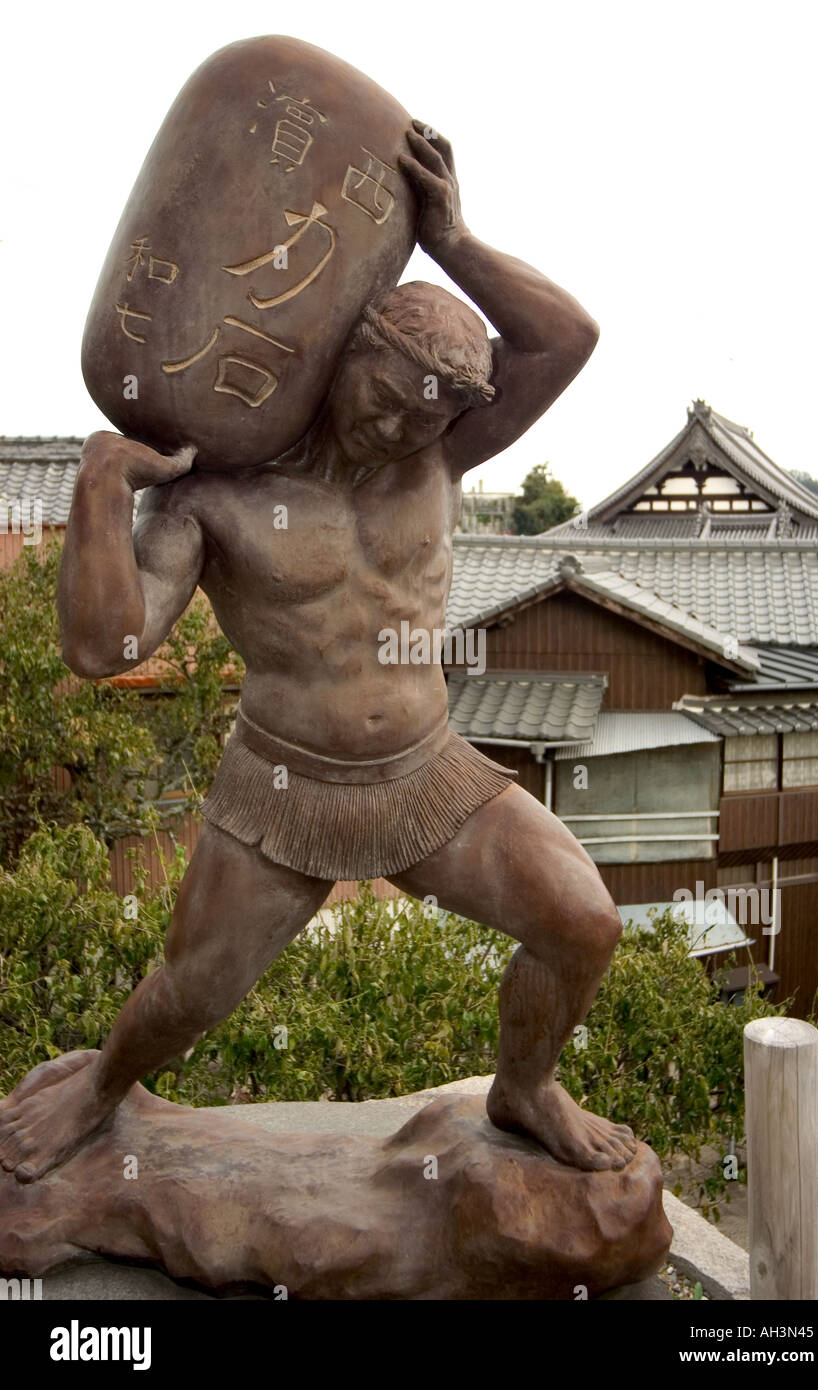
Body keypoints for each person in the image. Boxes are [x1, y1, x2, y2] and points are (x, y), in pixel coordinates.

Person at [0, 122, 636, 1181]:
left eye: (419, 419)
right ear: (347, 352)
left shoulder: (442, 453)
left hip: (429, 773)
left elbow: (568, 338)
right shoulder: (222, 493)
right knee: (190, 991)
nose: (394, 429)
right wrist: (103, 490)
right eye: (383, 397)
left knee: (583, 922)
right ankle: (104, 1088)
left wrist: (457, 241)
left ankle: (524, 1090)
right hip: (284, 784)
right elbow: (103, 648)